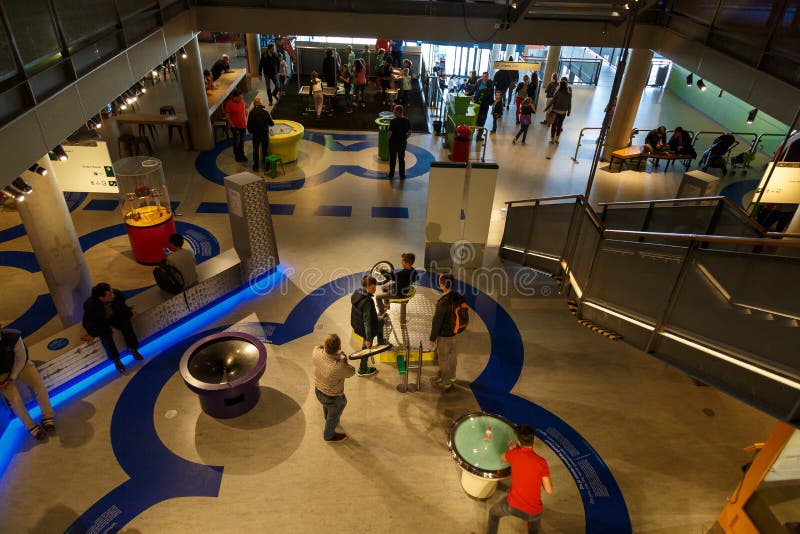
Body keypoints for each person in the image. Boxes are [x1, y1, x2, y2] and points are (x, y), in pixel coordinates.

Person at [486, 424, 553, 534]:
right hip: (533, 512)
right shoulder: (542, 462)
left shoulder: (514, 454)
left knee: (493, 513)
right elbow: (549, 490)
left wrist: (513, 451)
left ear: (518, 441)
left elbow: (502, 457)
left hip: (512, 506)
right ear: (534, 439)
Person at [0, 326, 55, 441]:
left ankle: (47, 416)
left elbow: (21, 357)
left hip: (21, 364)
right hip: (2, 373)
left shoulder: (13, 336)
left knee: (38, 386)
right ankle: (31, 426)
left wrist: (12, 378)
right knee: (15, 400)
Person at [82, 282, 143, 374]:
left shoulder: (117, 295)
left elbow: (122, 308)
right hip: (101, 322)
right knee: (106, 337)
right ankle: (116, 360)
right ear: (101, 298)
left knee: (126, 326)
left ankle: (133, 349)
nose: (113, 294)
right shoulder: (91, 306)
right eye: (109, 294)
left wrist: (129, 314)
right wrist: (92, 334)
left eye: (111, 291)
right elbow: (92, 322)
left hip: (115, 316)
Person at [313, 333, 355, 443]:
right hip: (332, 397)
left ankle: (327, 418)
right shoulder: (338, 366)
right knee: (334, 414)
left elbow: (319, 346)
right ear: (339, 348)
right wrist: (344, 359)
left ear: (325, 346)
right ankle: (329, 435)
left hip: (318, 390)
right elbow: (351, 372)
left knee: (326, 407)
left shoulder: (316, 353)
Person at [429, 273, 462, 391]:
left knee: (443, 359)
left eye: (439, 281)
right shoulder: (457, 296)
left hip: (445, 335)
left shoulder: (443, 302)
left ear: (442, 285)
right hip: (454, 333)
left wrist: (432, 338)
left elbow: (437, 321)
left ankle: (446, 381)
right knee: (452, 357)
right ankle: (452, 377)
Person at [350, 275, 387, 377]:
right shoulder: (366, 302)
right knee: (366, 348)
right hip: (364, 327)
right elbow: (367, 322)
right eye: (372, 288)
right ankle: (362, 369)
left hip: (357, 323)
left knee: (381, 320)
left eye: (375, 288)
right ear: (366, 288)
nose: (374, 290)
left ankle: (380, 341)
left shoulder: (358, 292)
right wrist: (368, 338)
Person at [246, 96, 275, 172]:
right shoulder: (265, 112)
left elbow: (249, 125)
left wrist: (251, 133)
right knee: (265, 150)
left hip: (255, 135)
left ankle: (256, 166)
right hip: (264, 134)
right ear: (260, 103)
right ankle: (267, 167)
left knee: (255, 151)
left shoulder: (251, 113)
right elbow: (272, 124)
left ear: (254, 103)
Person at [387, 104, 411, 180]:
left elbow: (390, 133)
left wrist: (388, 139)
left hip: (393, 144)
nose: (393, 112)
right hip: (402, 143)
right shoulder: (407, 121)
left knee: (393, 159)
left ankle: (391, 174)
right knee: (401, 159)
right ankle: (402, 175)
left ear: (398, 111)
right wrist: (404, 138)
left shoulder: (393, 121)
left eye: (394, 110)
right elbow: (409, 132)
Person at [224, 89, 248, 162]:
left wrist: (245, 115)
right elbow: (227, 116)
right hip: (235, 127)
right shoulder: (229, 104)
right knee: (237, 142)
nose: (241, 99)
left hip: (243, 125)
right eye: (240, 98)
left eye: (242, 97)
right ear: (235, 97)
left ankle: (242, 155)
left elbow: (245, 108)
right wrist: (232, 124)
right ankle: (237, 156)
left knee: (242, 141)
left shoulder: (242, 101)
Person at [546, 79, 571, 144]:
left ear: (560, 86)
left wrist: (547, 108)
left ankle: (552, 139)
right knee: (560, 125)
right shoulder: (568, 94)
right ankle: (557, 139)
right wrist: (569, 111)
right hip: (563, 112)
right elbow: (569, 103)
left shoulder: (558, 93)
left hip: (555, 111)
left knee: (554, 125)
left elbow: (552, 101)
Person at [473, 72, 494, 142]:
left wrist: (491, 102)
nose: (484, 78)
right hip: (477, 104)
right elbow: (474, 89)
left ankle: (479, 136)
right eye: (483, 76)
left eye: (486, 76)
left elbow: (491, 93)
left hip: (485, 105)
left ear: (487, 77)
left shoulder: (490, 84)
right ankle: (474, 132)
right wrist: (469, 93)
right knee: (476, 119)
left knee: (482, 120)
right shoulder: (479, 82)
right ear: (482, 76)